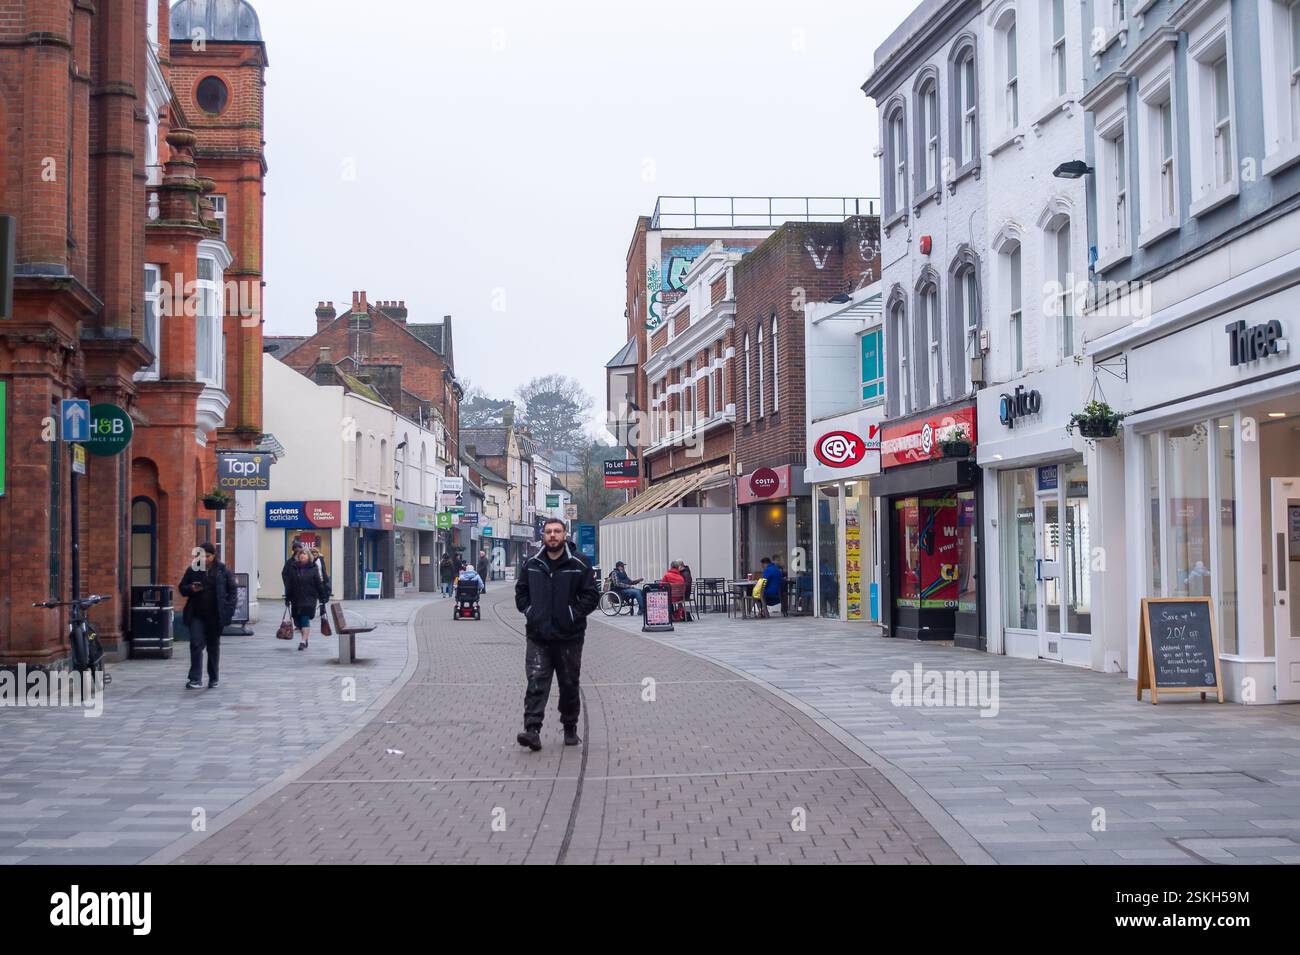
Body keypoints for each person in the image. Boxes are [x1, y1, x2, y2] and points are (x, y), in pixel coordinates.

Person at [514, 517, 599, 751]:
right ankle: (532, 731)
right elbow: (521, 592)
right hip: (538, 635)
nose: (552, 535)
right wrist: (531, 612)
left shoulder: (579, 563)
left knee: (569, 684)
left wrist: (572, 615)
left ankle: (569, 726)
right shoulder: (532, 563)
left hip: (569, 637)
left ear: (564, 535)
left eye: (557, 531)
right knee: (536, 682)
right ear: (543, 535)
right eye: (549, 532)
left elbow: (591, 596)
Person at [178, 542, 237, 689]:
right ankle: (195, 678)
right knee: (196, 643)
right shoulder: (193, 569)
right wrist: (191, 588)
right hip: (196, 613)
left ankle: (213, 678)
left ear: (213, 555)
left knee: (213, 647)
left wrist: (228, 610)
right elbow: (182, 588)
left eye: (207, 556)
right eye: (202, 555)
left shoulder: (223, 571)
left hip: (215, 615)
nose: (204, 558)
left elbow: (233, 591)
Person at [284, 547, 328, 651]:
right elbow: (289, 584)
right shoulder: (293, 568)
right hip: (296, 598)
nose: (302, 555)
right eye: (301, 554)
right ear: (298, 556)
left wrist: (323, 596)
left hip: (309, 598)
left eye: (305, 554)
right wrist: (287, 597)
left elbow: (318, 584)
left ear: (309, 556)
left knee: (304, 619)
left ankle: (303, 641)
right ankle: (305, 636)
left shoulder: (313, 568)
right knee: (297, 621)